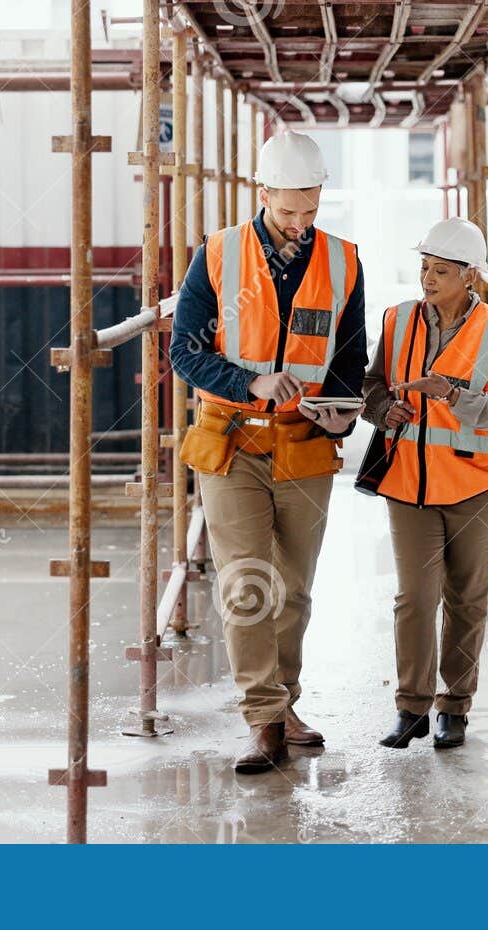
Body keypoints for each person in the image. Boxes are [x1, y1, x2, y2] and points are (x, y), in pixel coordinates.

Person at [170, 129, 367, 774]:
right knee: (247, 585)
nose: (300, 224)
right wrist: (248, 381)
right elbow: (184, 353)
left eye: (311, 210)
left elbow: (348, 359)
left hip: (305, 446)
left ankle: (284, 702)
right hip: (233, 445)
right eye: (288, 212)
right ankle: (262, 719)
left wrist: (338, 411)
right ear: (263, 195)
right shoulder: (218, 255)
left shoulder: (343, 261)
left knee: (296, 590)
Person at [360, 217, 488, 749]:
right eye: (424, 267)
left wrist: (450, 394)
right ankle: (411, 708)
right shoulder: (398, 320)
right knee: (414, 597)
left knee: (467, 598)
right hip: (410, 483)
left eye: (441, 270)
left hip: (478, 487)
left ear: (470, 275)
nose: (428, 278)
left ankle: (454, 708)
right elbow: (372, 386)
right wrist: (388, 411)